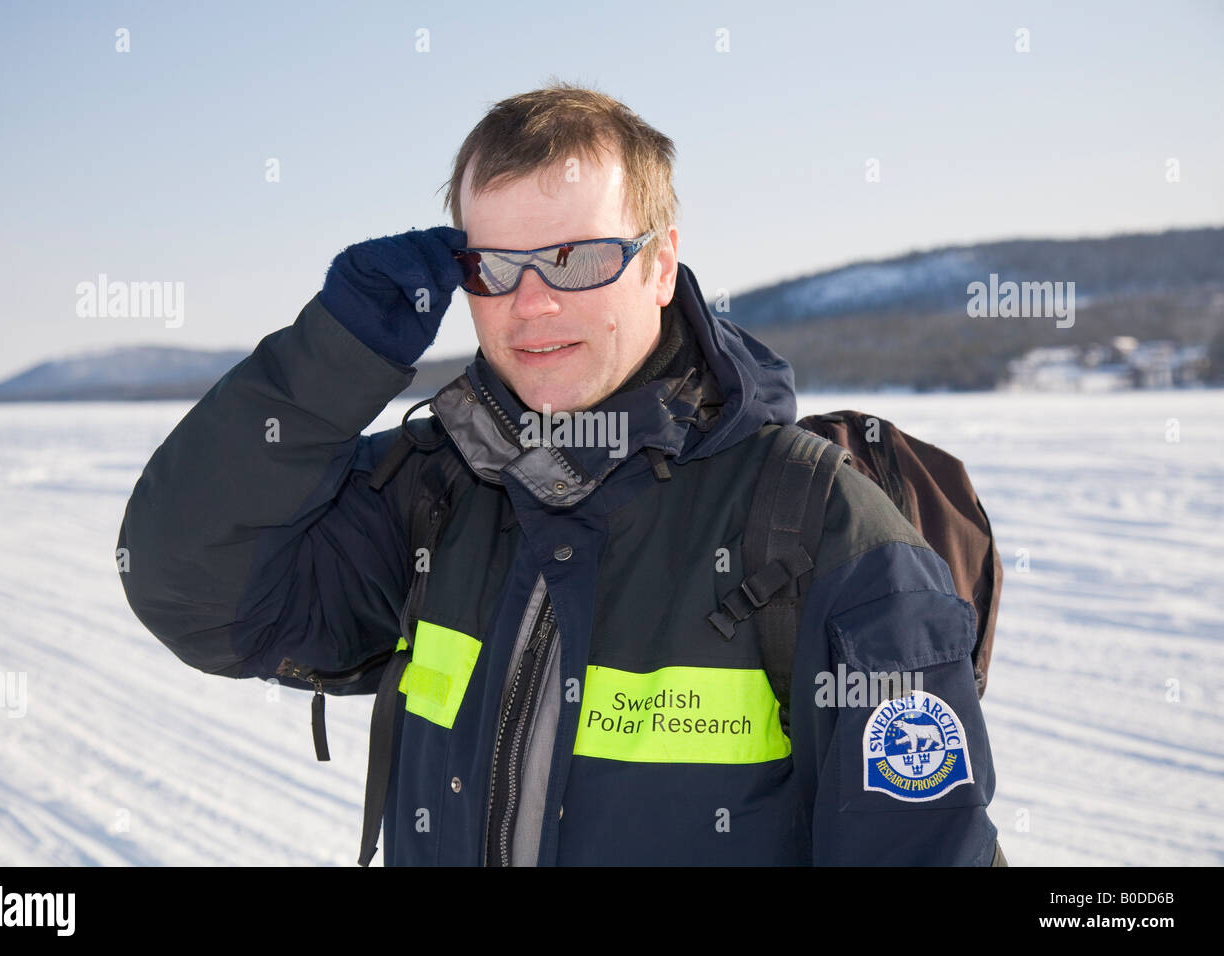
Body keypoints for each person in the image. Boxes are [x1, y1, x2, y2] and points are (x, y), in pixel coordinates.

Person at [118, 81, 1003, 866]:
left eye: (575, 260)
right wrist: (334, 355)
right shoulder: (437, 487)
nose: (530, 303)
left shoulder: (817, 527)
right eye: (492, 268)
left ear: (658, 265)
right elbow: (196, 592)